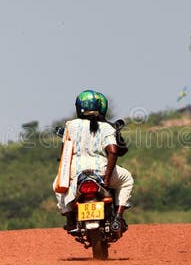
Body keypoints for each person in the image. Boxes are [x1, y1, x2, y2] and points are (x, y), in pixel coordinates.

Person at [53, 89, 134, 234]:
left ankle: (70, 220)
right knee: (126, 179)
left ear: (78, 107)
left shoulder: (70, 125)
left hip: (76, 172)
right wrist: (107, 179)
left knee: (57, 185)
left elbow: (65, 152)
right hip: (101, 172)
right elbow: (114, 151)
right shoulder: (106, 127)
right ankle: (118, 218)